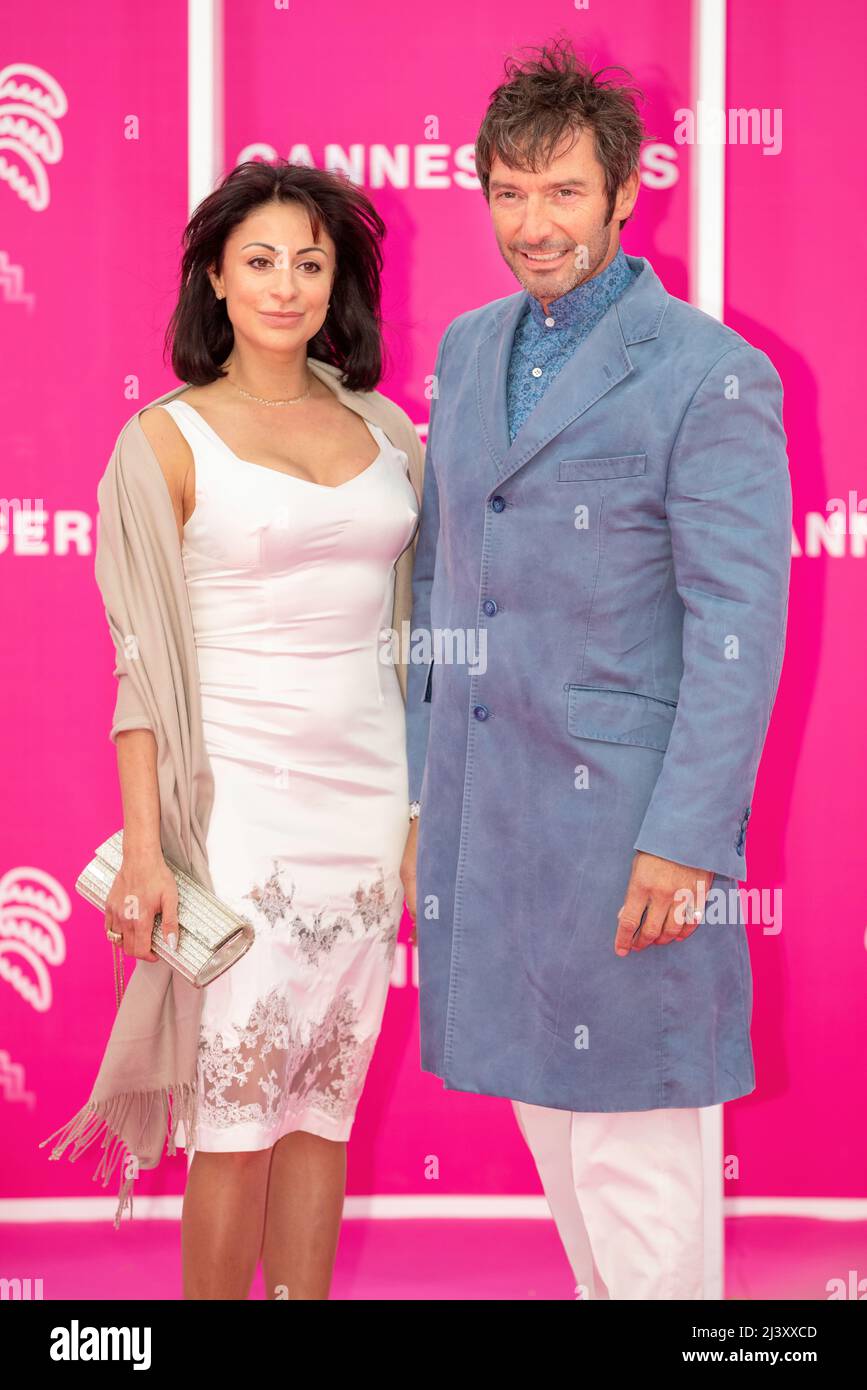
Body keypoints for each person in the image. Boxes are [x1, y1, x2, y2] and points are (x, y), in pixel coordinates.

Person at [403, 40, 792, 1300]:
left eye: (564, 191)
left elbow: (740, 622)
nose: (534, 223)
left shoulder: (708, 371)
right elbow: (437, 581)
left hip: (628, 832)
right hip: (492, 815)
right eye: (509, 192)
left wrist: (687, 840)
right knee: (557, 1137)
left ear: (626, 193)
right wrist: (425, 796)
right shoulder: (466, 349)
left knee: (640, 1151)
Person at [45, 160, 424, 1299]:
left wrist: (414, 818)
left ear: (337, 283)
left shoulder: (390, 430)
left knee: (323, 1105)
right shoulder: (161, 442)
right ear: (214, 275)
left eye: (311, 262)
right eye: (259, 259)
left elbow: (418, 640)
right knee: (238, 1114)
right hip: (240, 813)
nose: (286, 284)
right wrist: (151, 851)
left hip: (366, 811)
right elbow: (141, 671)